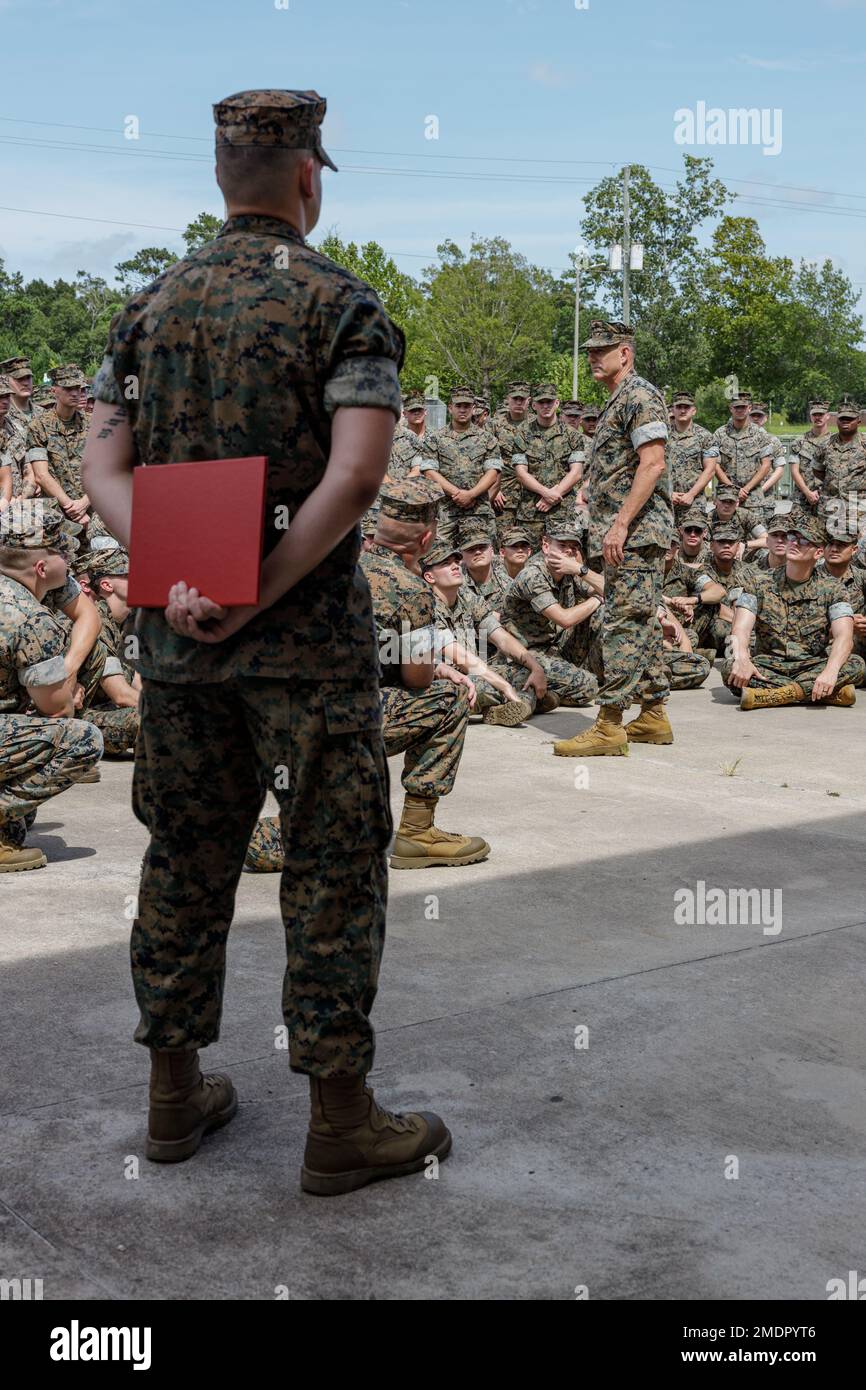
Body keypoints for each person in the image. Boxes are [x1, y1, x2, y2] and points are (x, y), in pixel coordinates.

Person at [82, 88, 451, 1196]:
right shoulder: (342, 304)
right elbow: (357, 477)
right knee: (331, 872)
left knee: (183, 861)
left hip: (179, 650)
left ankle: (171, 1098)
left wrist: (179, 581)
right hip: (306, 653)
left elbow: (105, 467)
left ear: (216, 177)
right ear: (307, 177)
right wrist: (258, 591)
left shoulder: (146, 308)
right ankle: (339, 1123)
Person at [553, 320, 673, 757]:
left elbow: (653, 464)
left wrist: (620, 523)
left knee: (622, 624)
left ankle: (608, 725)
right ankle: (654, 713)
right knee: (639, 621)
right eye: (588, 352)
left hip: (637, 534)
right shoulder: (617, 399)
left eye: (601, 351)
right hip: (627, 533)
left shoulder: (640, 396)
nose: (592, 359)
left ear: (625, 353)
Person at [0, 509, 104, 871]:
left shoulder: (19, 580)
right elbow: (58, 710)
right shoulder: (30, 618)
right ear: (41, 568)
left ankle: (7, 826)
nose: (70, 555)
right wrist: (64, 689)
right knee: (82, 740)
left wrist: (67, 669)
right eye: (61, 549)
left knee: (21, 820)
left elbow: (89, 616)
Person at [724, 508, 864, 708]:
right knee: (731, 666)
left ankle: (780, 694)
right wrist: (743, 659)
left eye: (804, 541)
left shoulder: (833, 589)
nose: (794, 543)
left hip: (812, 664)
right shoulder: (758, 582)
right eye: (792, 537)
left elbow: (844, 637)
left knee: (856, 664)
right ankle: (823, 693)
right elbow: (740, 629)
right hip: (769, 664)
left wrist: (830, 672)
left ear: (818, 552)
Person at [421, 538, 549, 723]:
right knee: (479, 686)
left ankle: (510, 707)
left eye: (456, 561)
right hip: (442, 680)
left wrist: (535, 667)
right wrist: (505, 687)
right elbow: (461, 658)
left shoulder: (466, 597)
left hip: (473, 670)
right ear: (430, 577)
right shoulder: (425, 607)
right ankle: (527, 702)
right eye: (445, 564)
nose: (455, 566)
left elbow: (501, 638)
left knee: (524, 671)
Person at [499, 520, 601, 708]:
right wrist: (596, 599)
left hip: (556, 646)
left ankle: (549, 692)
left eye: (573, 547)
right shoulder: (533, 574)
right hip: (527, 653)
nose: (568, 552)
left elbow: (611, 591)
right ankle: (541, 695)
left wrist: (581, 570)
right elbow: (565, 619)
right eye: (562, 546)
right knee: (588, 687)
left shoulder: (569, 570)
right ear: (546, 546)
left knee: (601, 613)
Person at [419, 384, 502, 548]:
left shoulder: (487, 439)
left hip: (478, 511)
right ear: (450, 408)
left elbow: (493, 473)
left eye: (467, 406)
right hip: (445, 512)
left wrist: (471, 494)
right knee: (438, 558)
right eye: (458, 406)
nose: (462, 410)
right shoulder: (435, 438)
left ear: (473, 408)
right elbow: (429, 472)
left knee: (482, 558)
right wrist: (457, 493)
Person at [509, 383, 584, 551]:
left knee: (564, 560)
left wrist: (555, 494)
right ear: (533, 405)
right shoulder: (522, 433)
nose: (545, 406)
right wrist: (546, 493)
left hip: (562, 513)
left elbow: (576, 472)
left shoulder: (572, 435)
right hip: (531, 513)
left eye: (549, 402)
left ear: (557, 403)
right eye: (541, 402)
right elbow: (521, 473)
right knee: (528, 561)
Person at [26, 364, 92, 534]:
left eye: (78, 387)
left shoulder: (94, 424)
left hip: (94, 507)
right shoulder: (38, 426)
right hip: (58, 513)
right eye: (68, 388)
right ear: (54, 391)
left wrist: (85, 503)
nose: (75, 393)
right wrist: (73, 508)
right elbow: (41, 475)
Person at [712, 391, 773, 516]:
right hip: (726, 498)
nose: (740, 410)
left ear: (749, 408)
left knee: (757, 535)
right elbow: (714, 465)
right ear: (731, 409)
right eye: (736, 407)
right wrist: (732, 489)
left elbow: (766, 465)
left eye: (743, 407)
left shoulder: (760, 434)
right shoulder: (719, 434)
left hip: (753, 499)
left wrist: (746, 489)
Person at [490, 380, 532, 544]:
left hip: (531, 498)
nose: (519, 402)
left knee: (529, 544)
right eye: (515, 398)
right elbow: (486, 460)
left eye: (522, 399)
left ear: (529, 400)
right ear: (508, 399)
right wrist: (494, 489)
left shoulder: (537, 424)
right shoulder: (494, 426)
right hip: (503, 497)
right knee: (503, 543)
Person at [666, 390, 719, 518]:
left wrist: (691, 494)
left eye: (686, 407)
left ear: (694, 411)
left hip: (694, 502)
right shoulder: (662, 435)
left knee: (693, 537)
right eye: (679, 407)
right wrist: (667, 493)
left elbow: (710, 470)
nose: (683, 410)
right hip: (666, 501)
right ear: (672, 410)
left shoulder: (705, 436)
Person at [459, 523, 513, 611]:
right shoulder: (455, 585)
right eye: (471, 549)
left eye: (482, 547)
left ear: (491, 551)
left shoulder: (507, 584)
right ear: (462, 557)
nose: (477, 552)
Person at [706, 483, 768, 557]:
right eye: (723, 501)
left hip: (741, 553)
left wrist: (744, 545)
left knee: (764, 552)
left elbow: (767, 540)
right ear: (715, 501)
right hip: (717, 555)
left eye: (731, 502)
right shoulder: (708, 520)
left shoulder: (746, 515)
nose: (727, 505)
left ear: (737, 503)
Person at [790, 400, 831, 507]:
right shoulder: (799, 442)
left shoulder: (835, 442)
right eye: (814, 414)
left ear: (828, 416)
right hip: (802, 499)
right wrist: (807, 493)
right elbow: (794, 471)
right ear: (810, 416)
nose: (818, 417)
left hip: (828, 499)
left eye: (821, 414)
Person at [386, 391, 426, 482]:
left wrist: (400, 487)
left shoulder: (412, 438)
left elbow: (417, 469)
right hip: (383, 491)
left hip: (409, 490)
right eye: (412, 411)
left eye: (419, 410)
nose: (416, 413)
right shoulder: (373, 439)